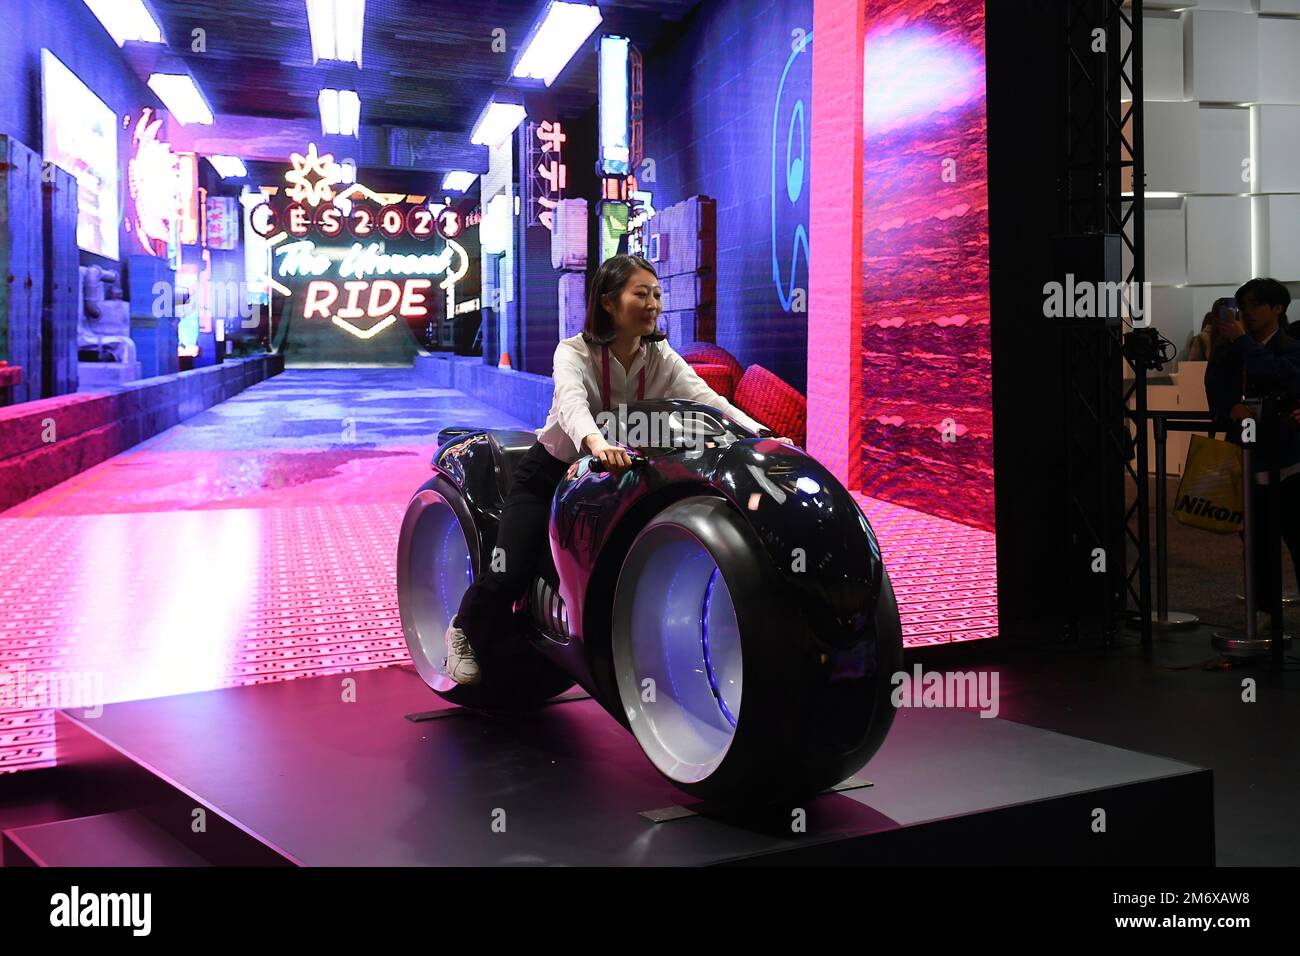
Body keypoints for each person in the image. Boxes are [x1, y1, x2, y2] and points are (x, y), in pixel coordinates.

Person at [442, 254, 789, 684]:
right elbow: (572, 405)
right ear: (608, 301)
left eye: (657, 295)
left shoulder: (659, 354)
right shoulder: (572, 351)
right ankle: (463, 630)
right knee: (508, 571)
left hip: (615, 479)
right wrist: (596, 443)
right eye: (640, 294)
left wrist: (759, 431)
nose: (653, 304)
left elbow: (706, 399)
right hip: (551, 474)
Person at [1204, 277, 1300, 635]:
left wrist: (1243, 341)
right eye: (1242, 305)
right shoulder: (1228, 350)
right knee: (1256, 546)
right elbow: (1216, 386)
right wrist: (1229, 407)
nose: (1246, 311)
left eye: (1255, 304)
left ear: (1278, 308)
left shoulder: (1289, 346)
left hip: (1289, 464)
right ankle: (1265, 615)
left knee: (1296, 538)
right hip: (1246, 464)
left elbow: (1282, 376)